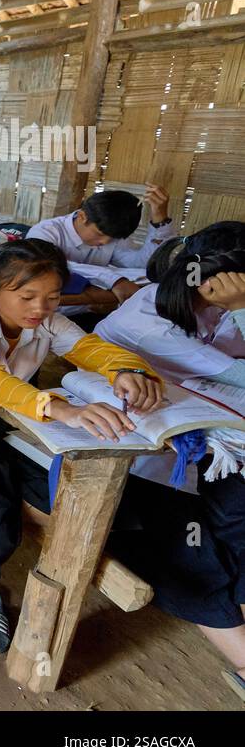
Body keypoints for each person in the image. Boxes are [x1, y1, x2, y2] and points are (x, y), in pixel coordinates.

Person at [0, 239, 163, 650]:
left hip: (8, 422)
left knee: (61, 499)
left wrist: (126, 369)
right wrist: (62, 410)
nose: (39, 308)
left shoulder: (46, 323)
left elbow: (90, 348)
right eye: (27, 297)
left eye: (53, 298)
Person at [93, 222, 245, 700]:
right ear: (214, 279)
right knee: (198, 544)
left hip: (187, 447)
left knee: (236, 510)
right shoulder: (151, 320)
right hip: (132, 462)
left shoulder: (212, 307)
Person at [27, 186, 175, 319]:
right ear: (82, 217)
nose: (105, 242)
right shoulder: (46, 232)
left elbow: (142, 266)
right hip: (48, 315)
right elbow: (49, 267)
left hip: (92, 313)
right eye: (99, 233)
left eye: (112, 238)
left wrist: (159, 221)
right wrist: (114, 280)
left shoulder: (111, 234)